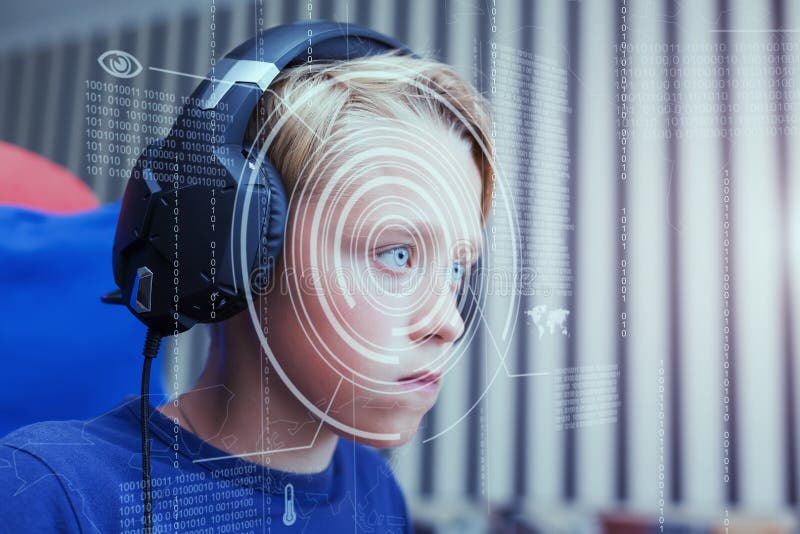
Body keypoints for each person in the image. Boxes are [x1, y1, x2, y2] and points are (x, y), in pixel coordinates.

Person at [0, 46, 494, 533]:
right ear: (236, 244)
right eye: (397, 254)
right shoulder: (47, 493)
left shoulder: (375, 488)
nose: (449, 323)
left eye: (455, 268)